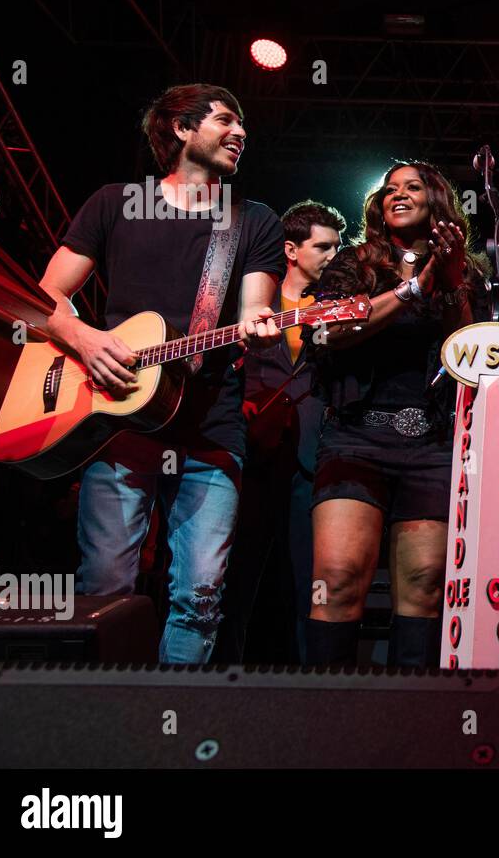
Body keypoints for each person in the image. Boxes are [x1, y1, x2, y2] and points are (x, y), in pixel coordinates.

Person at [36, 83, 284, 663]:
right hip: (116, 420)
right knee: (105, 589)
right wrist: (85, 337)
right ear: (180, 129)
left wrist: (265, 325)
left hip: (211, 428)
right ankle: (105, 726)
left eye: (243, 124)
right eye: (226, 119)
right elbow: (46, 295)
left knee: (199, 596)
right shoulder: (114, 202)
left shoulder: (253, 222)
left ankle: (171, 719)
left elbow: (253, 313)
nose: (241, 133)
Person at [302, 160, 486, 668]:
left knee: (426, 586)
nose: (398, 195)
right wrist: (412, 291)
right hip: (356, 438)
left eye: (413, 187)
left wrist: (448, 285)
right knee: (336, 580)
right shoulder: (354, 264)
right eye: (389, 190)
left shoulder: (467, 274)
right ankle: (326, 727)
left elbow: (470, 356)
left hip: (433, 442)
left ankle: (408, 729)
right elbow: (326, 333)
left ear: (437, 202)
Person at [215, 200, 345, 663]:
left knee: (309, 584)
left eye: (338, 245)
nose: (334, 254)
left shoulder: (337, 308)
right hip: (251, 451)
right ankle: (220, 678)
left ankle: (307, 690)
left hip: (311, 458)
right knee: (232, 578)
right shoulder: (252, 301)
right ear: (290, 249)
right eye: (323, 246)